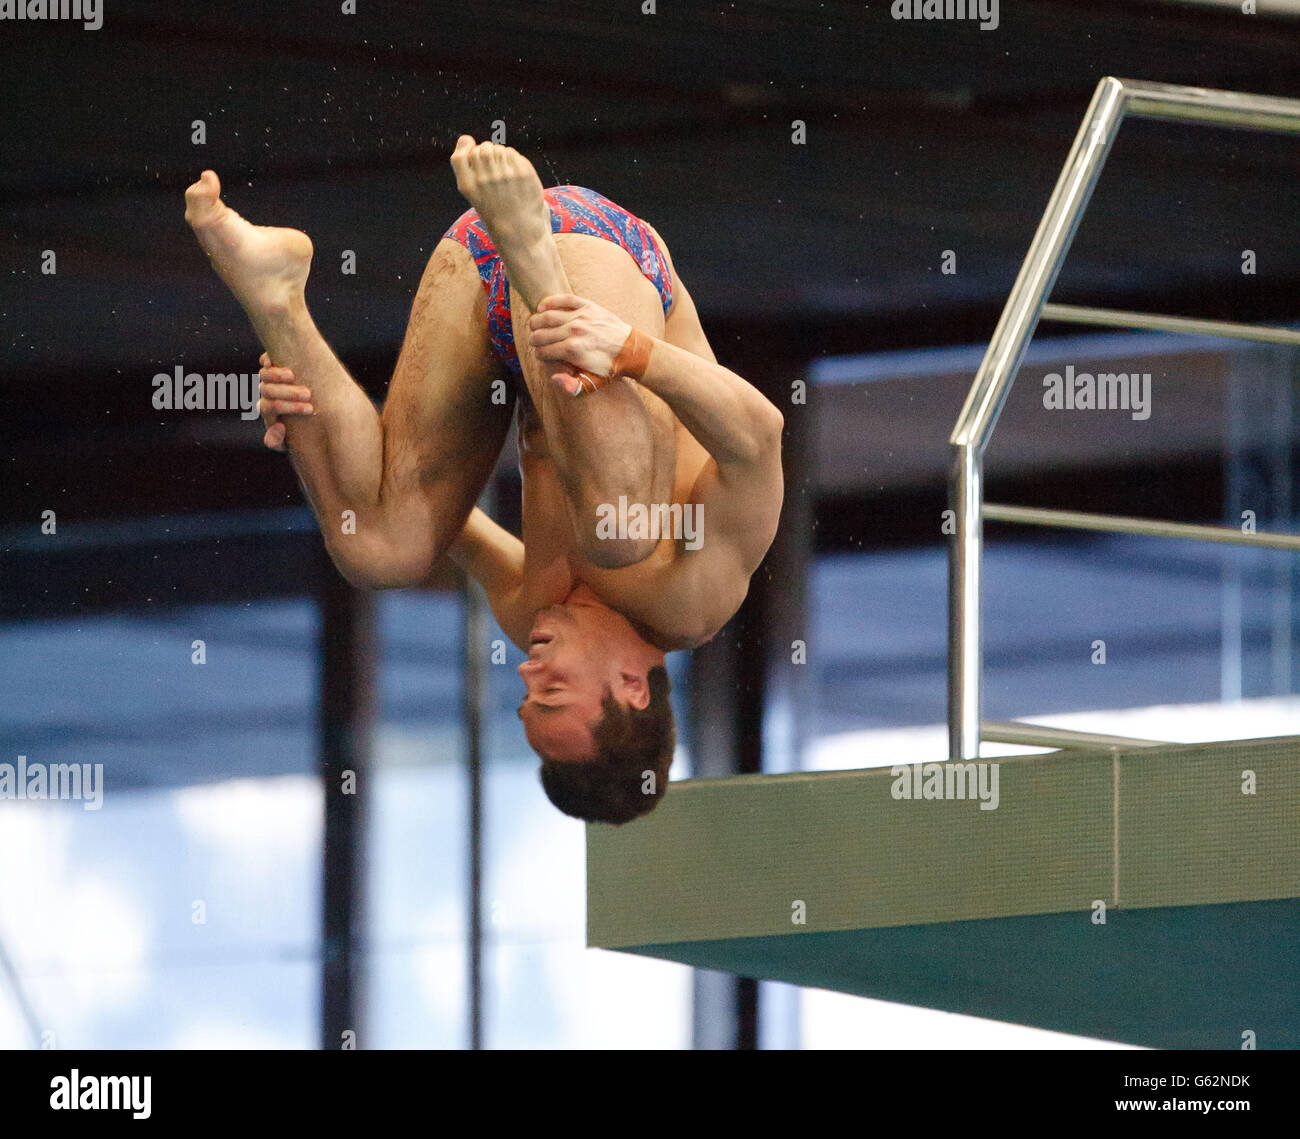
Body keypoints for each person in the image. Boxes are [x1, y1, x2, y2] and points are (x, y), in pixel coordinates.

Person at [183, 136, 784, 824]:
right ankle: (530, 249)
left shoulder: (530, 615)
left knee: (382, 551)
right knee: (622, 532)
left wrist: (314, 436)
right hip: (591, 258)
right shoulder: (693, 596)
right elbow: (759, 435)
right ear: (632, 687)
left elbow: (439, 520)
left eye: (528, 697)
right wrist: (633, 351)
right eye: (553, 693)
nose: (529, 673)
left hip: (479, 269)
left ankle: (277, 299)